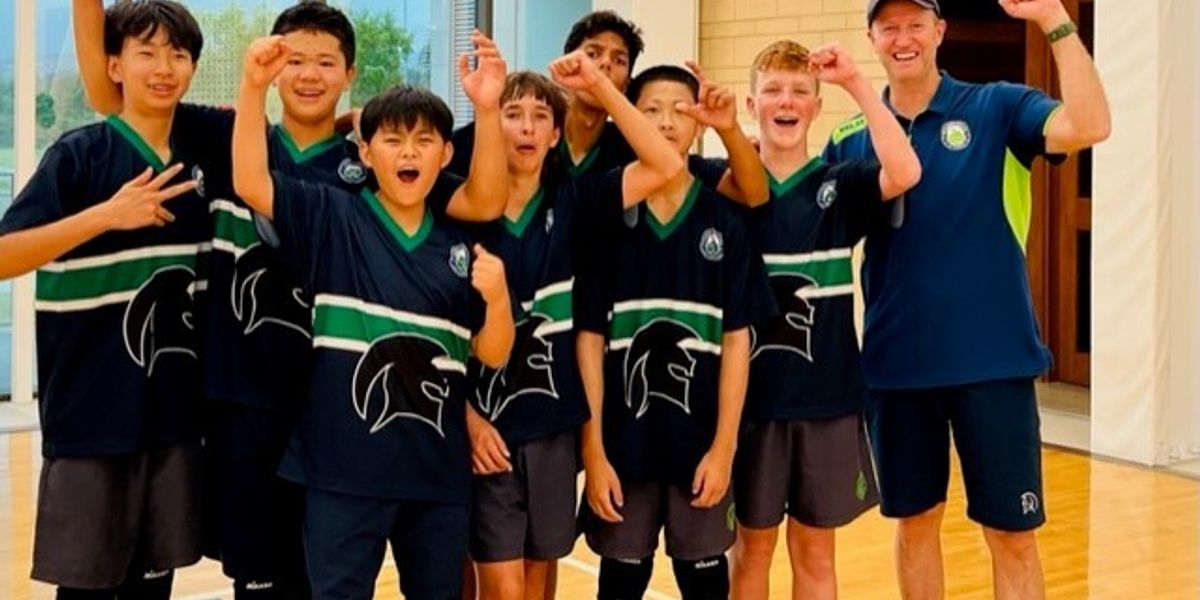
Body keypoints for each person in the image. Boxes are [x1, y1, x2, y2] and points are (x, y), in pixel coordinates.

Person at [822, 1, 1111, 598]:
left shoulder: (997, 107)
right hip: (897, 369)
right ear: (871, 38)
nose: (903, 38)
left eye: (915, 24)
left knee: (1012, 536)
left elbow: (1090, 125)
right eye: (889, 27)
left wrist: (1054, 20)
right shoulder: (849, 138)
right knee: (915, 525)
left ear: (939, 31)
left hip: (994, 364)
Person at [231, 33, 514, 599]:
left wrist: (501, 299)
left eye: (423, 141)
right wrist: (253, 87)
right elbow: (250, 183)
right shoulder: (331, 215)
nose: (408, 153)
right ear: (365, 153)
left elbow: (492, 352)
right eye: (392, 140)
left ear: (445, 155)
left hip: (435, 474)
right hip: (341, 470)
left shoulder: (459, 245)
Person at [0, 2, 212, 597]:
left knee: (154, 586)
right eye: (146, 52)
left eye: (178, 54)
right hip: (90, 420)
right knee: (86, 590)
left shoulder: (202, 152)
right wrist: (105, 216)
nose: (163, 67)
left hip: (172, 421)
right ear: (114, 65)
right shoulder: (79, 155)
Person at [464, 52, 683, 600]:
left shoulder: (577, 201)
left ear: (556, 135)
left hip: (555, 426)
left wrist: (600, 87)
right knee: (500, 585)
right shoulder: (463, 209)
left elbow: (664, 164)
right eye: (513, 114)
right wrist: (467, 418)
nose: (527, 127)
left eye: (541, 116)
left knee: (539, 577)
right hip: (487, 427)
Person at [725, 39, 922, 600]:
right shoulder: (728, 189)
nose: (786, 102)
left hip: (827, 403)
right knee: (752, 551)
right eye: (772, 91)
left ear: (816, 107)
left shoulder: (841, 183)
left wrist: (856, 82)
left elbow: (905, 170)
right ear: (751, 104)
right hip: (750, 409)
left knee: (815, 553)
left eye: (800, 92)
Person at [575, 65, 775, 600]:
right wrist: (593, 450)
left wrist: (724, 447)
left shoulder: (726, 221)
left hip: (701, 444)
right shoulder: (606, 219)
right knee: (621, 579)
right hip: (623, 446)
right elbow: (588, 341)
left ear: (700, 123)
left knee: (704, 579)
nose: (665, 122)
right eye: (650, 110)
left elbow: (737, 341)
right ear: (627, 119)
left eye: (679, 110)